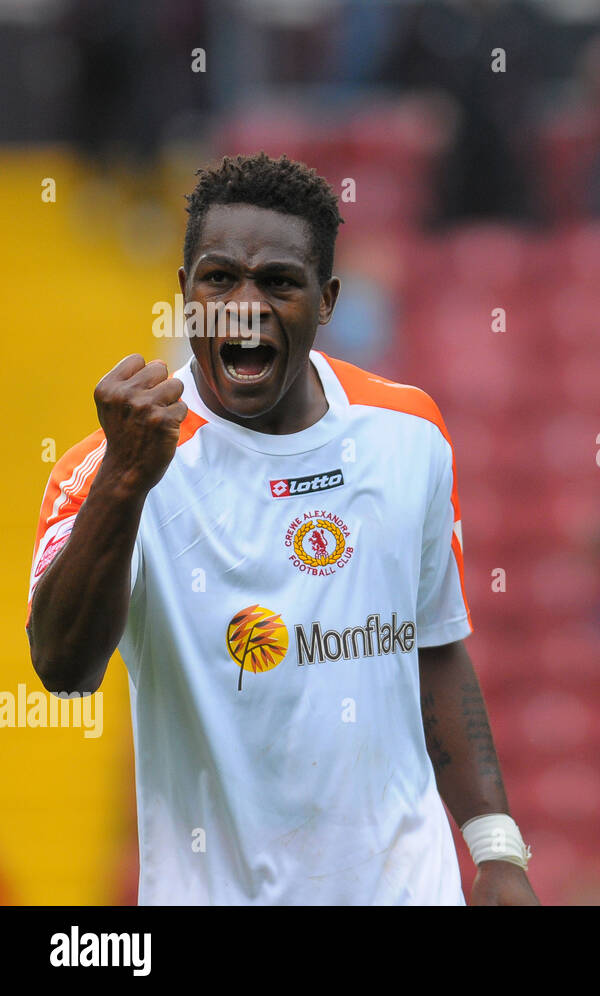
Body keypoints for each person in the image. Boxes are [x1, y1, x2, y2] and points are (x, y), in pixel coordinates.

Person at [26, 152, 538, 906]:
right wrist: (125, 483)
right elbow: (63, 669)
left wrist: (496, 848)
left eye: (279, 282)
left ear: (326, 300)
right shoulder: (105, 467)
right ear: (183, 292)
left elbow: (434, 648)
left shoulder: (408, 433)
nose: (245, 305)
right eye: (219, 277)